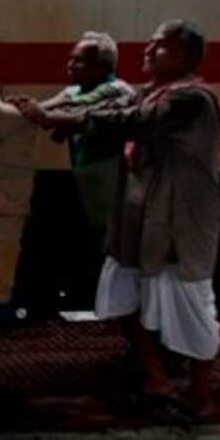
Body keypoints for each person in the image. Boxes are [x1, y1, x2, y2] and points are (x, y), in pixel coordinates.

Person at [10, 21, 220, 419]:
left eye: (160, 46)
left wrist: (54, 119)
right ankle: (157, 379)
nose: (148, 49)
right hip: (142, 217)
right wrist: (51, 116)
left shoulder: (191, 100)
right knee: (125, 295)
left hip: (179, 220)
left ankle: (199, 395)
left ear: (185, 57)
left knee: (190, 305)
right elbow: (109, 111)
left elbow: (127, 121)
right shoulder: (153, 93)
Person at [39, 33, 136, 304]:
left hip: (114, 181)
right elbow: (57, 105)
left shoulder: (117, 90)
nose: (71, 65)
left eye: (80, 61)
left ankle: (118, 305)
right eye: (71, 59)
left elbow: (77, 108)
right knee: (97, 239)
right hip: (88, 180)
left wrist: (41, 113)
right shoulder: (73, 91)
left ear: (103, 67)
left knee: (114, 244)